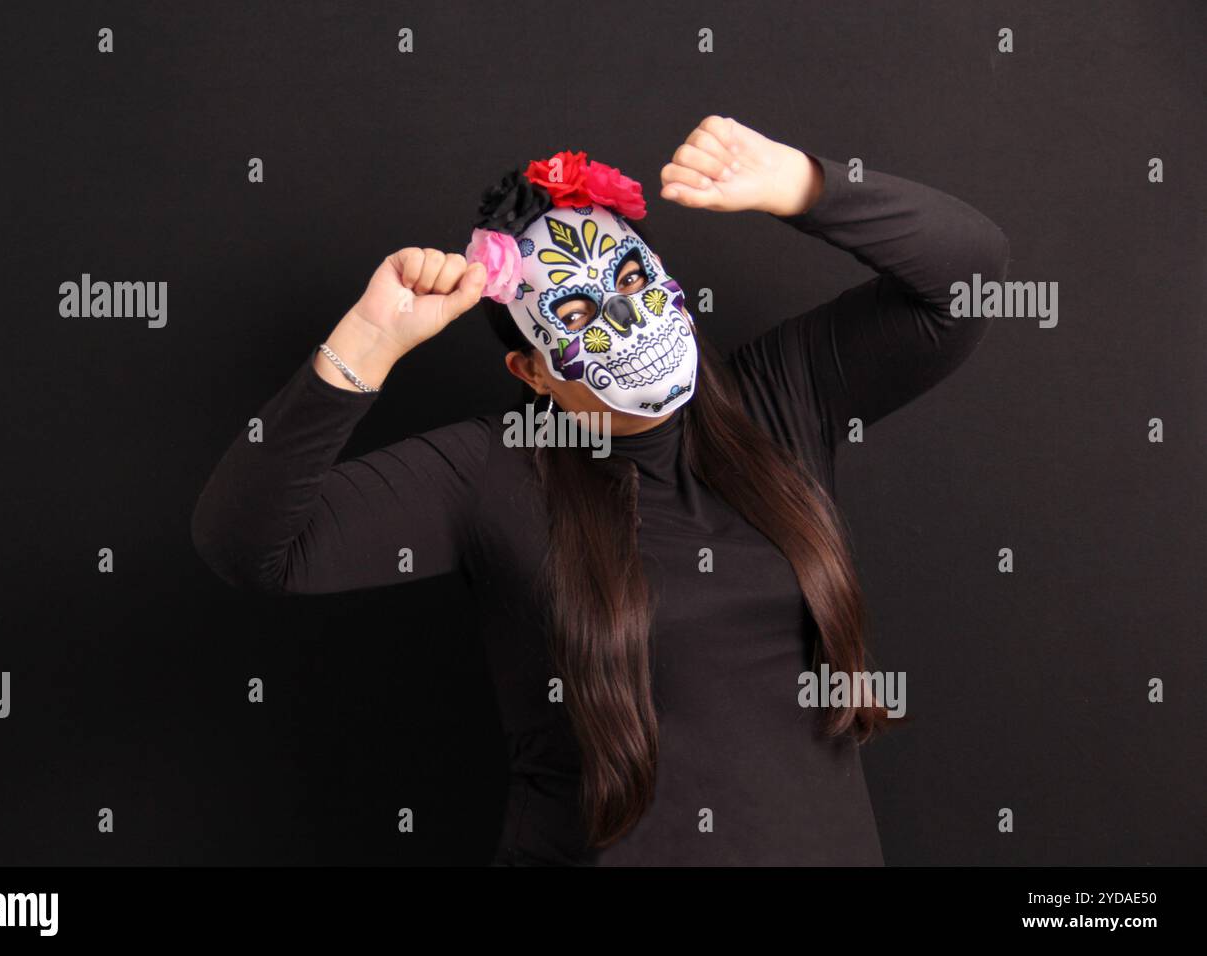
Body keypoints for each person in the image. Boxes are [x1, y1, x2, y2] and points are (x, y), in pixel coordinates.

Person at [191, 115, 1010, 866]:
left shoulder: (779, 401)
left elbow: (968, 274)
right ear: (530, 370)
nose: (626, 318)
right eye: (579, 312)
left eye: (630, 277)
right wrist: (366, 343)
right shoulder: (498, 470)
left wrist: (804, 184)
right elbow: (252, 547)